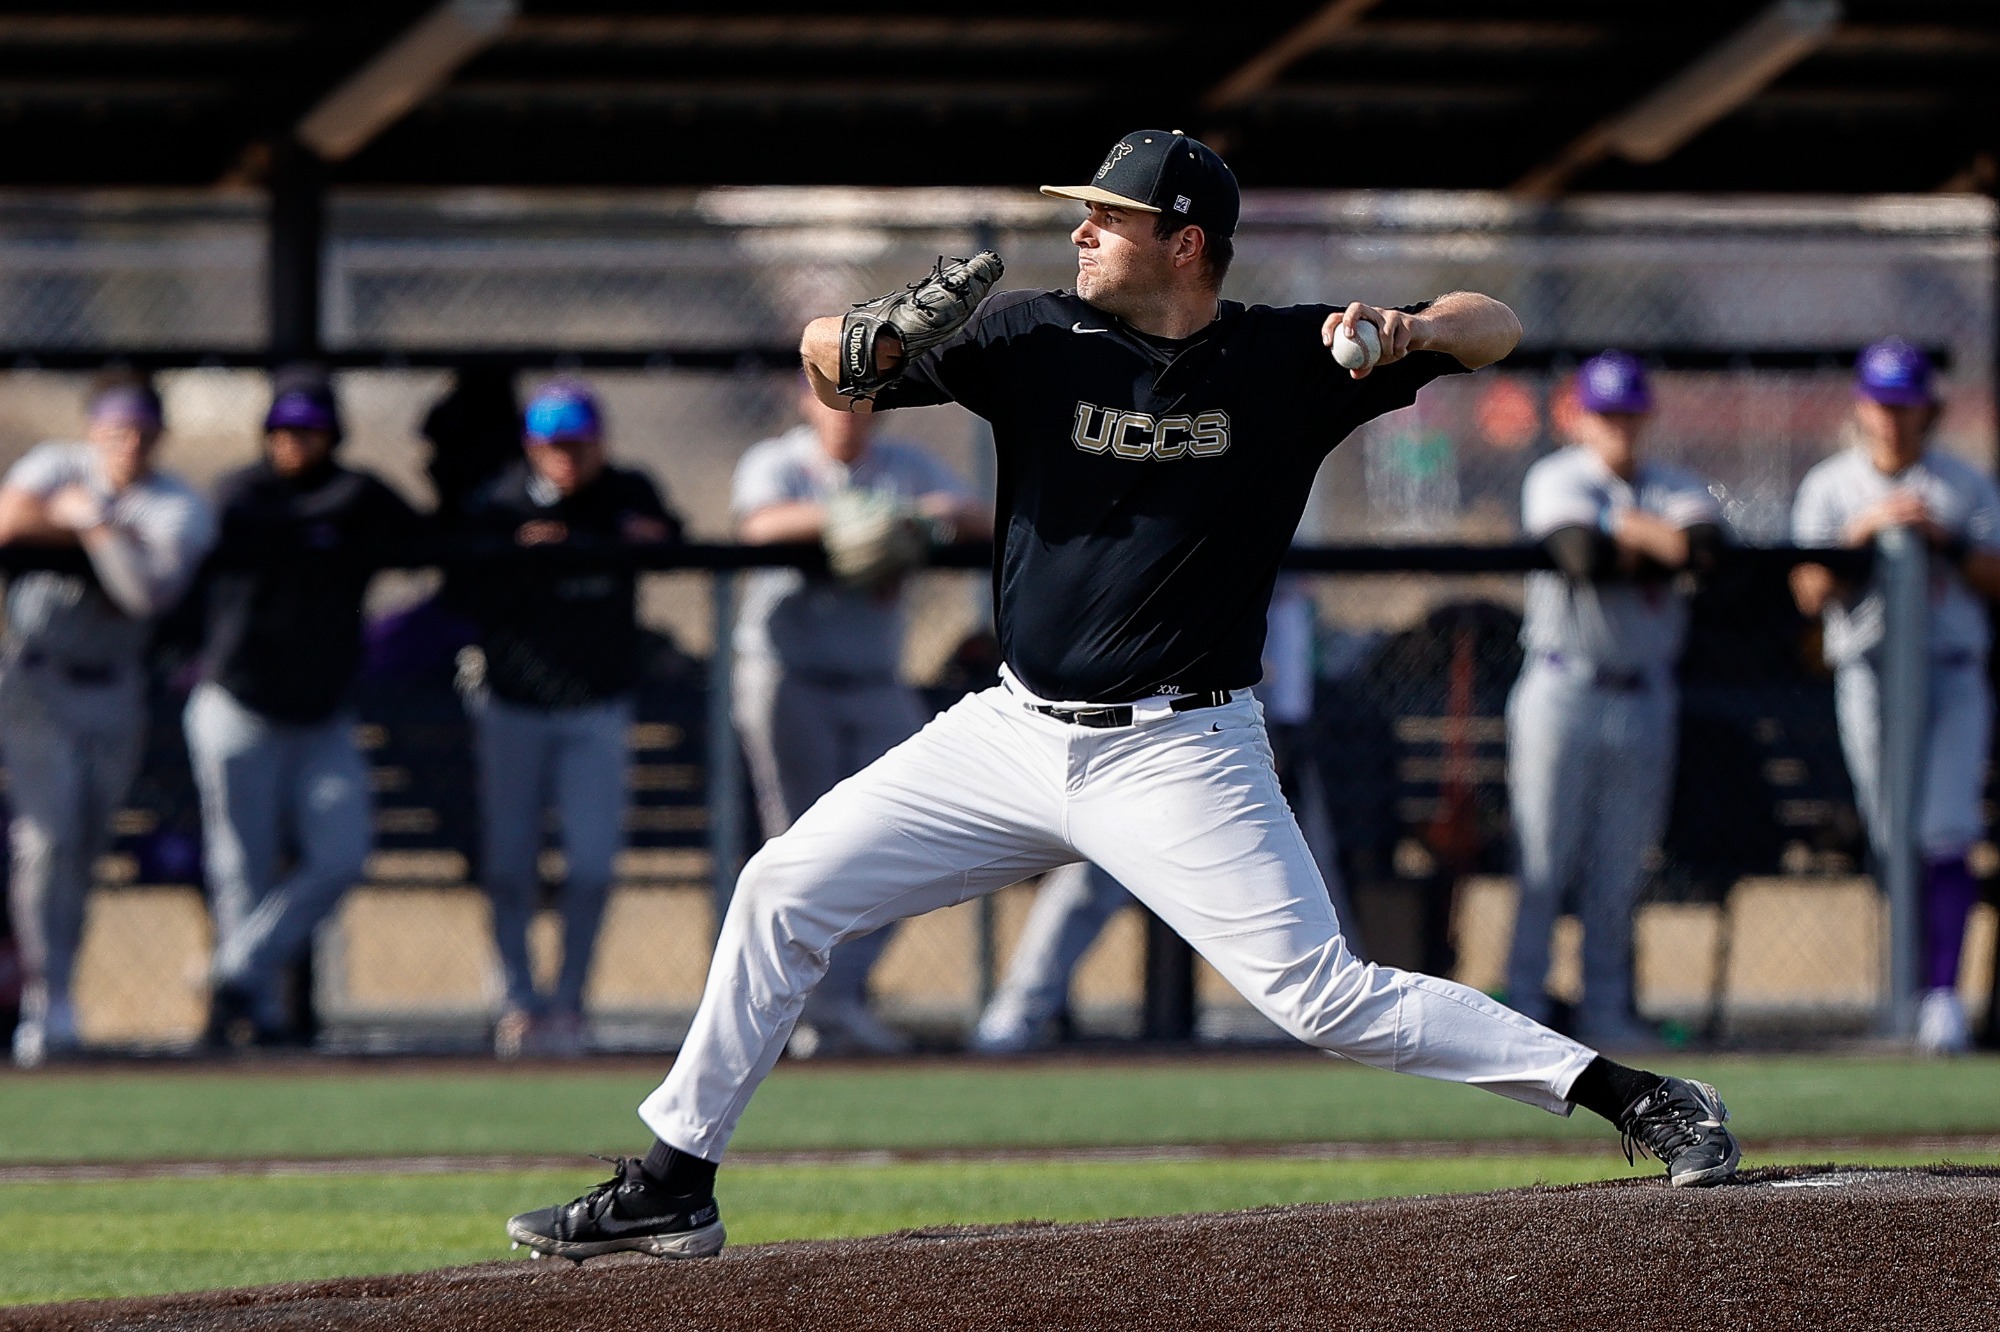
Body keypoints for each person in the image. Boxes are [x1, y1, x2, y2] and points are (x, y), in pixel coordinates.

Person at [507, 129, 1740, 1263]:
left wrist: (1408, 330)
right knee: (781, 887)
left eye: (1108, 214)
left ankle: (1635, 1097)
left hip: (1180, 751)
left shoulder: (1283, 356)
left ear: (1184, 239)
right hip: (1009, 730)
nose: (1081, 230)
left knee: (1320, 998)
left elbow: (1496, 325)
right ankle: (676, 1179)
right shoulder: (1033, 337)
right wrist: (877, 332)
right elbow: (827, 366)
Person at [970, 578, 1358, 1053]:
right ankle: (1016, 1016)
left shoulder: (1276, 561)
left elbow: (1290, 636)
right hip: (1148, 736)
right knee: (1090, 883)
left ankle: (1342, 1025)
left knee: (1305, 883)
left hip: (1254, 737)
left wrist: (1288, 730)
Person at [731, 383, 990, 1056]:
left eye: (860, 402)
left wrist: (906, 520)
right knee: (798, 856)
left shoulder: (900, 465)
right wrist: (853, 521)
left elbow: (974, 516)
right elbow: (758, 524)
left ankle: (830, 1004)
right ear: (805, 401)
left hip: (877, 679)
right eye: (834, 399)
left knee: (914, 843)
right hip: (790, 677)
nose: (848, 413)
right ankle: (793, 1017)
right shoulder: (778, 460)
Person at [188, 367, 425, 1047]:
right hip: (240, 707)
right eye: (285, 430)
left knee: (341, 854)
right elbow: (230, 534)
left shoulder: (357, 495)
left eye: (311, 430)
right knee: (242, 868)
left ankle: (235, 971)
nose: (297, 443)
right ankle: (253, 1015)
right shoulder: (241, 494)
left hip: (321, 715)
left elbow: (423, 537)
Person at [459, 380, 683, 1059]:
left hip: (596, 702)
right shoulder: (498, 503)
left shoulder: (625, 491)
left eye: (579, 445)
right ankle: (517, 1001)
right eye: (555, 447)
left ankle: (569, 1004)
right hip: (512, 704)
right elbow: (459, 579)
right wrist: (520, 551)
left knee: (590, 865)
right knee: (509, 865)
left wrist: (615, 538)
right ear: (532, 448)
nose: (568, 460)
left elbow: (670, 538)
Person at [1504, 352, 1722, 1049]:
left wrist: (1622, 528)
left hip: (1645, 690)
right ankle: (1528, 1008)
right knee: (1544, 862)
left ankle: (1605, 1011)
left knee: (1619, 869)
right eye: (1606, 414)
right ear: (1579, 417)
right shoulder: (1558, 474)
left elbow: (1709, 553)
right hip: (1563, 683)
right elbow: (1578, 554)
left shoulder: (1675, 482)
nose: (1619, 428)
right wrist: (1654, 543)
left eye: (1629, 413)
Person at [1790, 339, 2000, 1055]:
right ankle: (1904, 992)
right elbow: (1808, 593)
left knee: (1947, 829)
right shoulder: (1831, 485)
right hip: (1871, 672)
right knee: (1892, 833)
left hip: (1951, 669)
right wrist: (1863, 536)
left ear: (1927, 410)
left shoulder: (1963, 484)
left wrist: (1941, 538)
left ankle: (1940, 995)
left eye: (1907, 405)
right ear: (1863, 406)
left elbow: (1995, 579)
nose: (1894, 420)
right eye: (1883, 404)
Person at [0, 376, 214, 1066]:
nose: (128, 443)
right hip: (36, 680)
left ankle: (61, 986)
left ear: (159, 436)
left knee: (87, 842)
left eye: (142, 431)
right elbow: (6, 519)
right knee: (48, 838)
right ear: (93, 429)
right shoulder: (57, 466)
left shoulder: (177, 502)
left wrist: (89, 524)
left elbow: (142, 593)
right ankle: (44, 996)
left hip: (115, 688)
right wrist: (92, 523)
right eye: (115, 429)